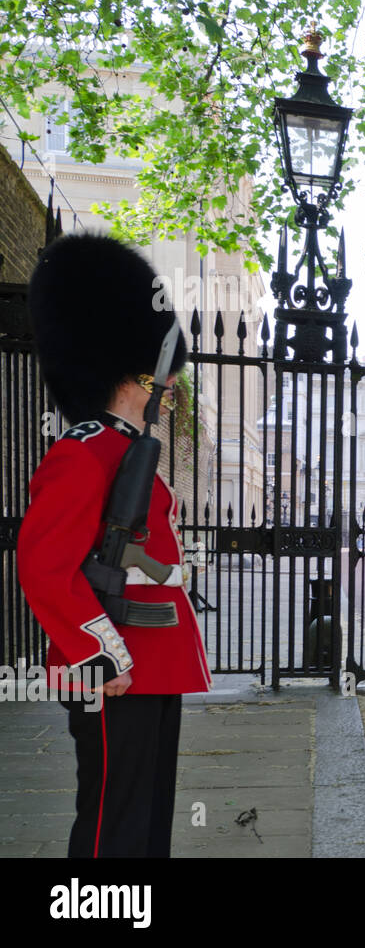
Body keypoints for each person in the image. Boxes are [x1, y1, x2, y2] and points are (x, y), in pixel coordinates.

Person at [17, 232, 211, 858]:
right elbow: (45, 568)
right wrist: (96, 655)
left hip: (150, 664)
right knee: (111, 822)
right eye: (162, 378)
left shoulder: (126, 451)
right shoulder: (84, 452)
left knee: (146, 814)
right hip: (113, 670)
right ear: (133, 375)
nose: (169, 390)